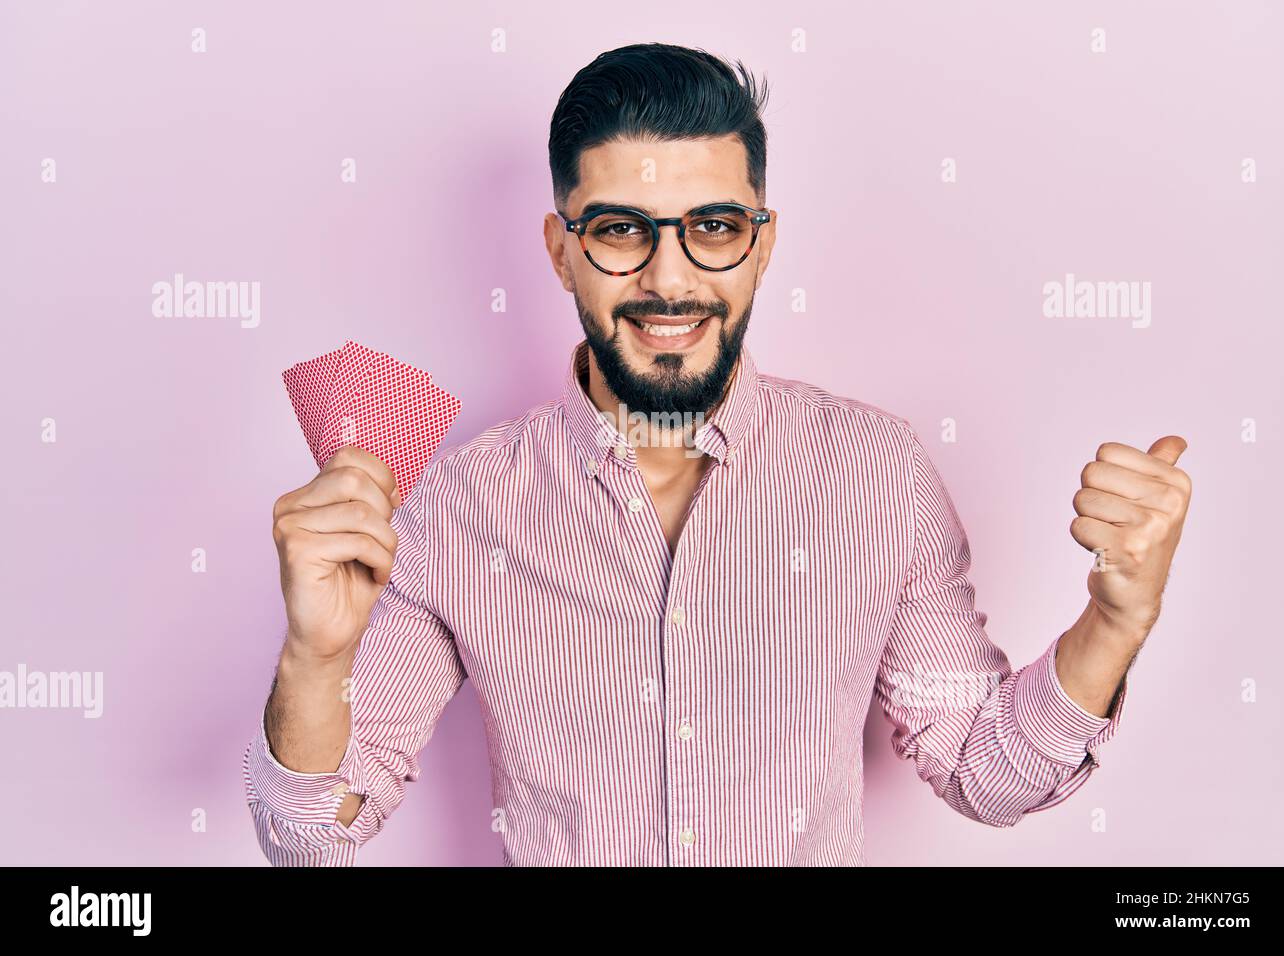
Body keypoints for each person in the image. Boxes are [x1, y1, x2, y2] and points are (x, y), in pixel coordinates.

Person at [244, 42, 1192, 866]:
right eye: (619, 231)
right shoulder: (459, 506)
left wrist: (1116, 620)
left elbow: (987, 771)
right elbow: (312, 837)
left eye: (714, 228)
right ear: (560, 250)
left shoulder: (878, 477)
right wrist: (315, 658)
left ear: (762, 244)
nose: (669, 280)